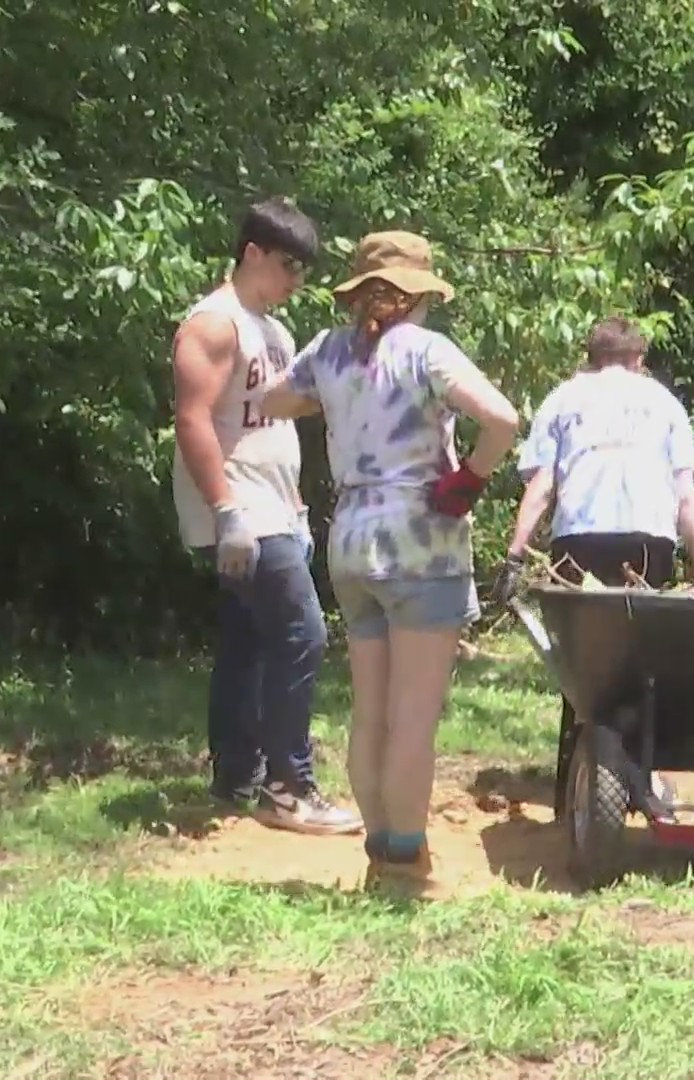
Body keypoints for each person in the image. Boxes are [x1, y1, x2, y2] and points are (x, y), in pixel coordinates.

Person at [259, 230, 521, 897]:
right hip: (420, 537)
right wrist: (468, 481)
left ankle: (381, 849)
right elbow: (503, 419)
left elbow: (272, 403)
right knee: (414, 715)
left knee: (370, 710)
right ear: (418, 295)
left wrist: (336, 402)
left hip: (351, 535)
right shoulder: (424, 349)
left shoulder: (328, 349)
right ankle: (405, 864)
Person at [169, 197, 360, 837]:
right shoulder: (216, 324)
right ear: (251, 252)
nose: (295, 281)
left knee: (248, 642)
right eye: (287, 265)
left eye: (303, 269)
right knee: (303, 634)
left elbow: (272, 420)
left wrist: (298, 504)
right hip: (241, 509)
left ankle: (237, 779)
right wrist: (226, 512)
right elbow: (193, 419)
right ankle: (289, 789)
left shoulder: (270, 330)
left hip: (276, 507)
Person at [487, 315, 694, 816]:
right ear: (639, 360)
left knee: (583, 664)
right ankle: (639, 774)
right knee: (641, 662)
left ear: (590, 357)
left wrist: (514, 556)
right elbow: (684, 496)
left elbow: (542, 485)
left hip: (579, 542)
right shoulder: (662, 402)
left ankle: (578, 784)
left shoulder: (563, 399)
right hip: (647, 543)